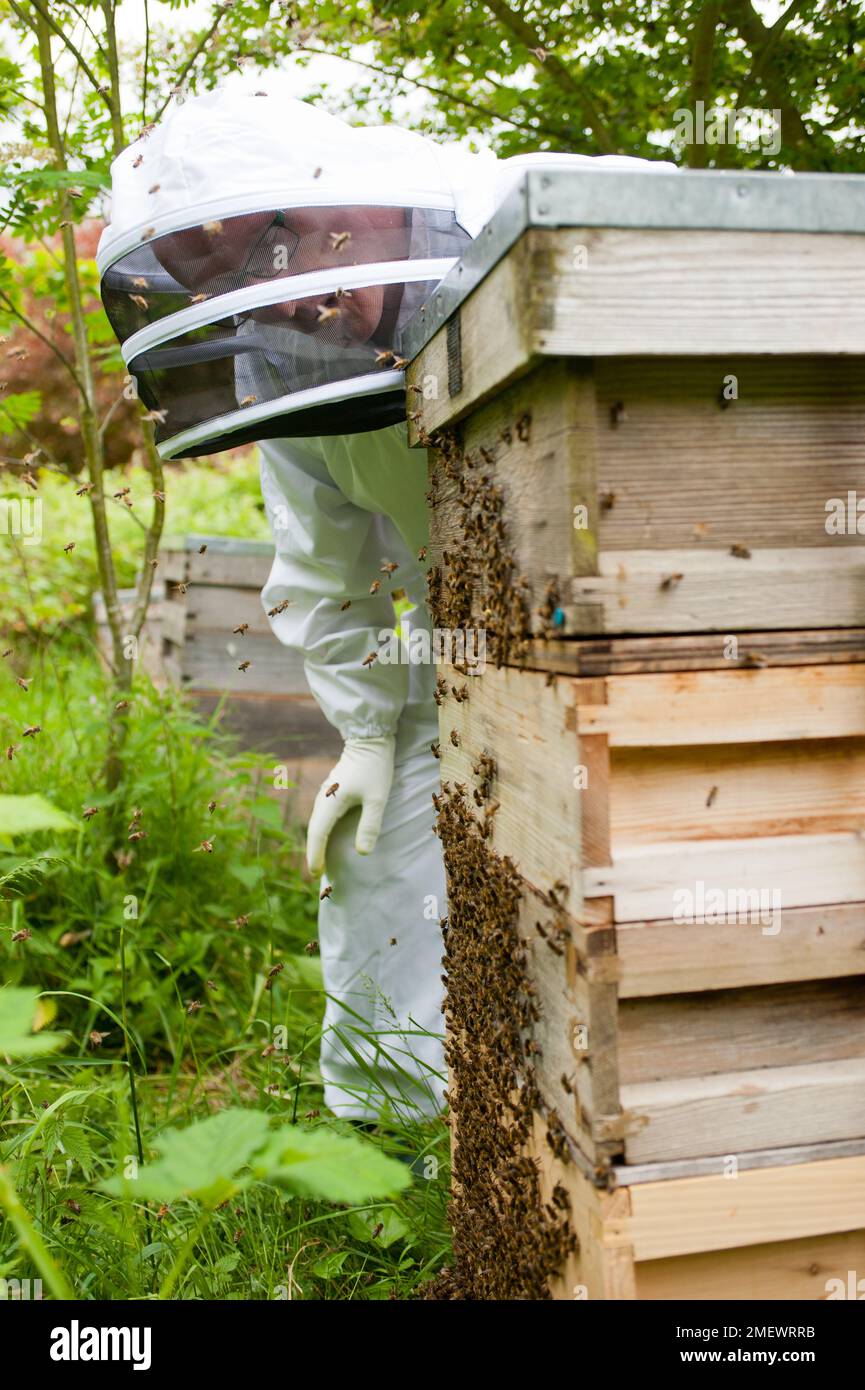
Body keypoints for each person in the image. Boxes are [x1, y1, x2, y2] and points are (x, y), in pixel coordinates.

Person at [98, 74, 670, 1123]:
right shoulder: (296, 375)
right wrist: (367, 731)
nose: (289, 299)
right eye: (233, 286)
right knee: (372, 852)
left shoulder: (556, 203)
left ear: (344, 192)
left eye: (283, 247)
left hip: (685, 619)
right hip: (482, 642)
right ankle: (401, 1124)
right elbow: (327, 570)